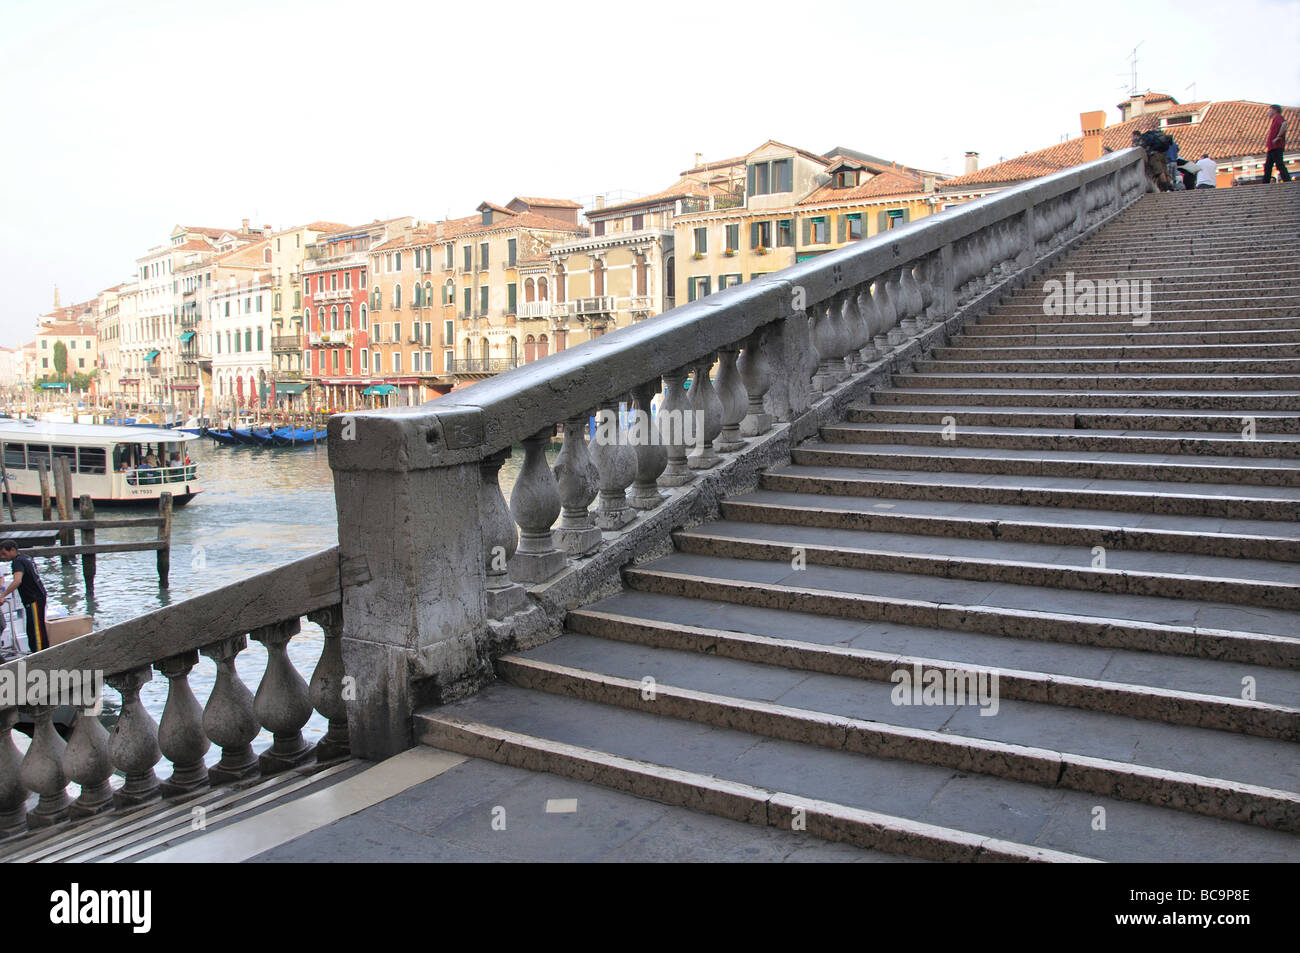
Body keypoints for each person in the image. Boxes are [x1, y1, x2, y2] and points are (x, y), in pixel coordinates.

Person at [0, 539, 48, 653]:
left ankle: (40, 653)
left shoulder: (17, 562)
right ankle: (40, 650)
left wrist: (2, 595)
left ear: (12, 550)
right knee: (35, 627)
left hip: (34, 598)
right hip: (38, 596)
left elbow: (17, 581)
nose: (2, 557)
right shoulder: (26, 557)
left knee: (35, 629)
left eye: (4, 554)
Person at [1262, 104, 1292, 183]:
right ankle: (1265, 182)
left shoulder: (1278, 118)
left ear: (1275, 110)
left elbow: (1285, 124)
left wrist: (1278, 136)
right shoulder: (1275, 120)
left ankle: (1287, 180)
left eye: (1270, 110)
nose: (1269, 112)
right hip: (1272, 147)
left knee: (1279, 164)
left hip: (1276, 146)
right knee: (1268, 166)